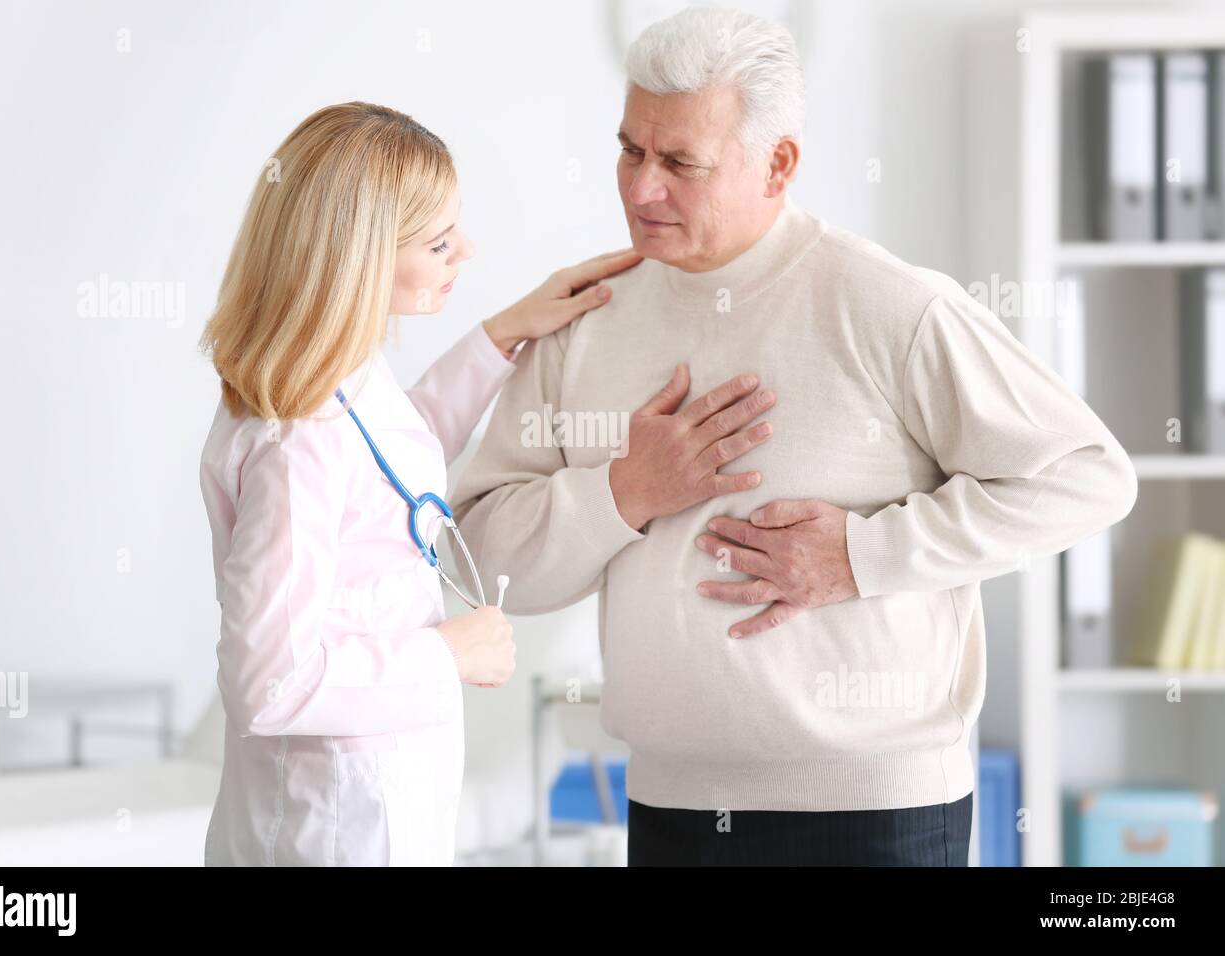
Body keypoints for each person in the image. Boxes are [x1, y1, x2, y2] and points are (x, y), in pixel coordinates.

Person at [451, 7, 1138, 866]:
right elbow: (477, 558)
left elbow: (1088, 475)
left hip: (878, 814)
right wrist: (621, 495)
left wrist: (861, 554)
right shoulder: (584, 319)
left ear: (778, 164)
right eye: (630, 149)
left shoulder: (887, 304)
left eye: (679, 163)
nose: (639, 188)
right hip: (669, 810)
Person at [197, 101, 640, 866]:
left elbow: (391, 466)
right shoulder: (298, 442)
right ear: (360, 258)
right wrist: (449, 656)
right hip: (330, 827)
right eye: (439, 241)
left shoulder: (335, 385)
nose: (464, 250)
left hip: (376, 803)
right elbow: (266, 683)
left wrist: (505, 333)